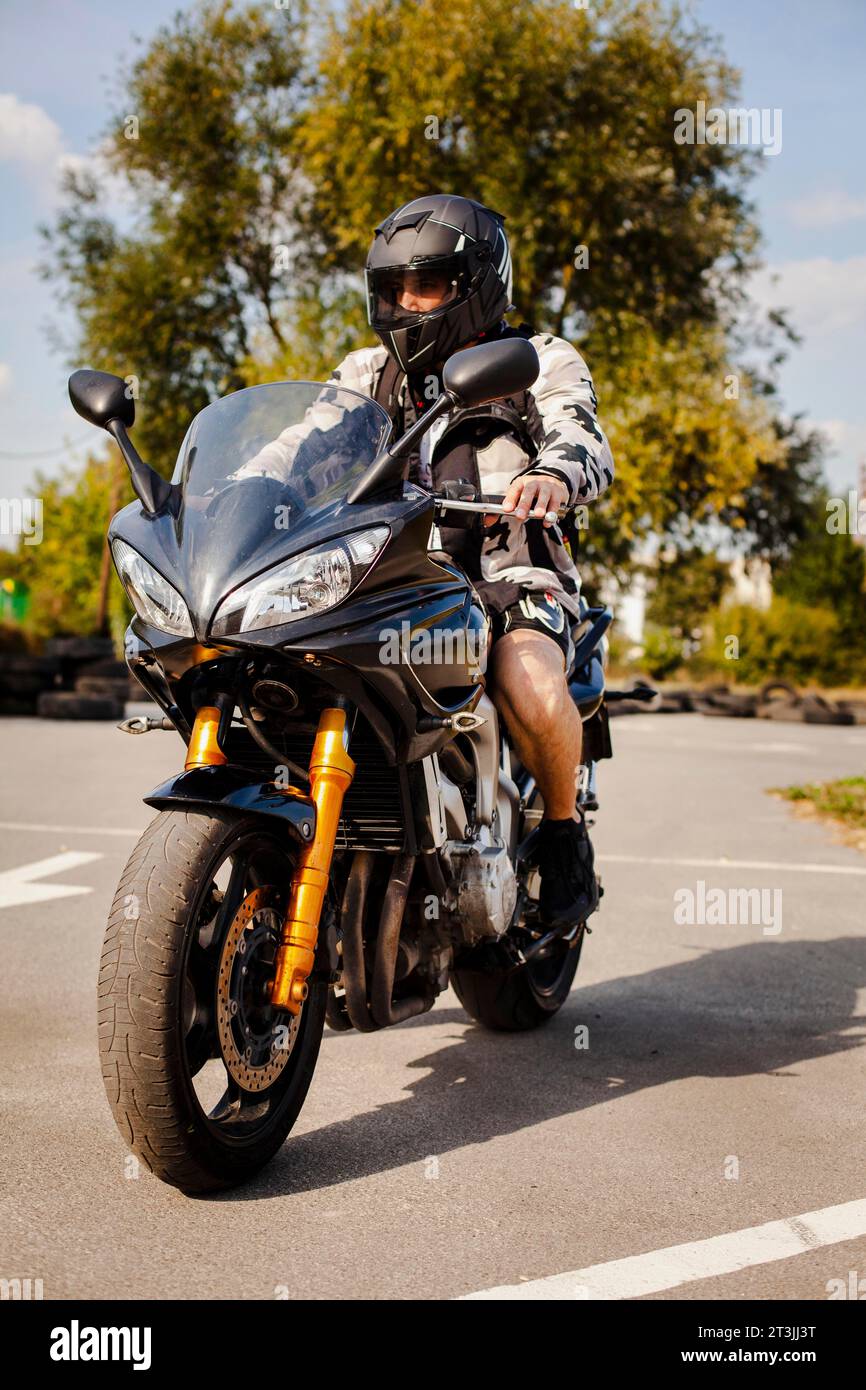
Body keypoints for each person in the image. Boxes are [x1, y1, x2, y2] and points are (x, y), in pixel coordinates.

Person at [239, 194, 615, 932]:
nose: (407, 303)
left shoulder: (537, 359)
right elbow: (304, 445)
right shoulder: (368, 370)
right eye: (393, 288)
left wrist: (555, 475)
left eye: (429, 285)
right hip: (390, 567)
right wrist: (239, 489)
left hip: (508, 561)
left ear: (477, 284)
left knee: (526, 673)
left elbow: (585, 436)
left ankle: (564, 834)